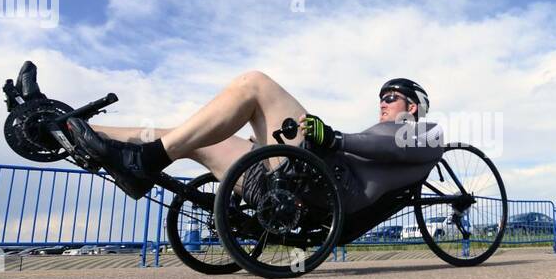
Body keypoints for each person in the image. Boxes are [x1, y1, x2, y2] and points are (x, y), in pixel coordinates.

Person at [62, 72, 444, 214]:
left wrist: (337, 137)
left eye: (390, 97)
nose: (382, 101)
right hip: (292, 180)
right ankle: (71, 130)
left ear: (412, 106)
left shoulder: (428, 134)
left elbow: (391, 149)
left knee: (255, 84)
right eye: (381, 96)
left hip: (333, 186)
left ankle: (143, 161)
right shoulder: (372, 134)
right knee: (195, 138)